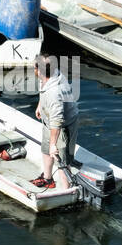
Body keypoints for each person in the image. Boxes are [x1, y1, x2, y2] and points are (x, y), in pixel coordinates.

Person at [33, 54, 78, 191]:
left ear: (38, 70)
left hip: (63, 127)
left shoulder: (54, 92)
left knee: (62, 161)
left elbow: (58, 120)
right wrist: (40, 105)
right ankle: (47, 179)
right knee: (46, 150)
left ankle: (66, 190)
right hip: (49, 122)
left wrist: (54, 144)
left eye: (34, 67)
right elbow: (43, 89)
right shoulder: (48, 74)